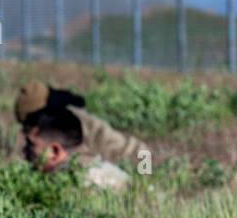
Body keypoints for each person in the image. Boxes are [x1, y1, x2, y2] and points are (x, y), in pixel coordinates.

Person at [15, 80, 145, 191]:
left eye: (32, 123)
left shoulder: (82, 123)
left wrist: (145, 182)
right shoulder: (45, 133)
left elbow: (142, 153)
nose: (31, 133)